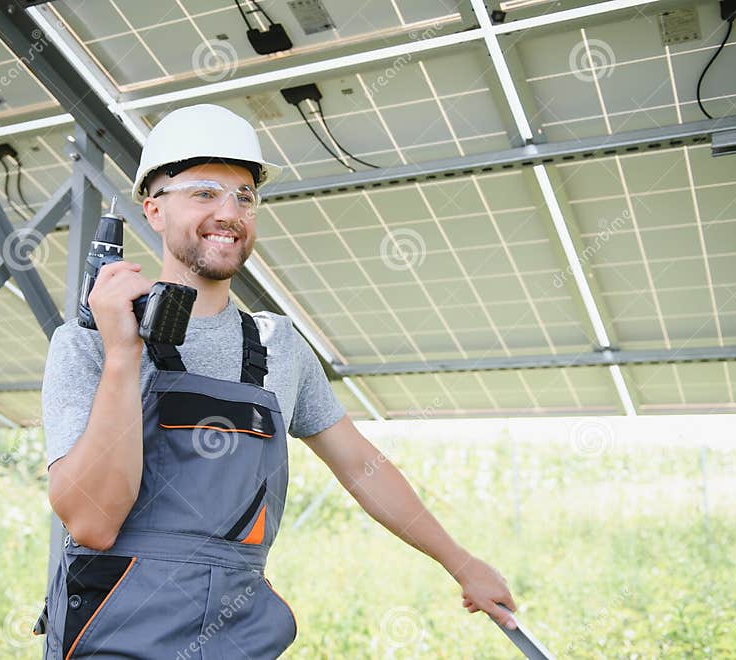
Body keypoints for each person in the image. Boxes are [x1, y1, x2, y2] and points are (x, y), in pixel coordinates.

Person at [38, 104, 517, 659]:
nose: (230, 212)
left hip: (236, 638)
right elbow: (94, 523)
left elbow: (363, 468)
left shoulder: (278, 347)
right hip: (118, 634)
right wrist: (123, 352)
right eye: (204, 193)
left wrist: (461, 563)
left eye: (244, 196)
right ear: (154, 210)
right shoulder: (87, 343)